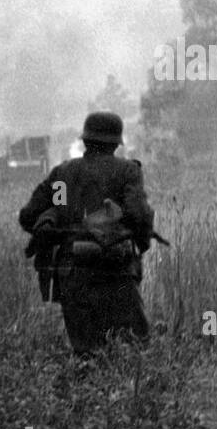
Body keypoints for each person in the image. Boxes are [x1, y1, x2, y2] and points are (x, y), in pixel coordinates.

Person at [19, 111, 155, 356]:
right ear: (116, 143)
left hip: (74, 274)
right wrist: (140, 245)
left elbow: (28, 216)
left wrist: (57, 218)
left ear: (85, 140)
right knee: (136, 349)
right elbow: (139, 216)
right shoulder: (127, 171)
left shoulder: (63, 175)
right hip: (117, 273)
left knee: (86, 354)